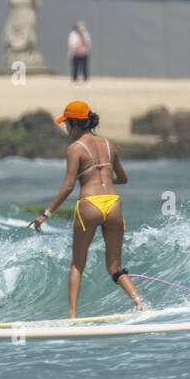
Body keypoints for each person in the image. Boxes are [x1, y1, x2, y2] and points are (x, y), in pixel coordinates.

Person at [31, 100, 146, 316]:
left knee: (77, 264)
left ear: (74, 124)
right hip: (113, 204)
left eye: (66, 123)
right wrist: (104, 180)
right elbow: (123, 178)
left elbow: (67, 186)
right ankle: (140, 303)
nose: (66, 128)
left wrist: (45, 214)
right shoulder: (109, 144)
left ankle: (72, 316)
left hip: (89, 204)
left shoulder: (75, 148)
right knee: (115, 267)